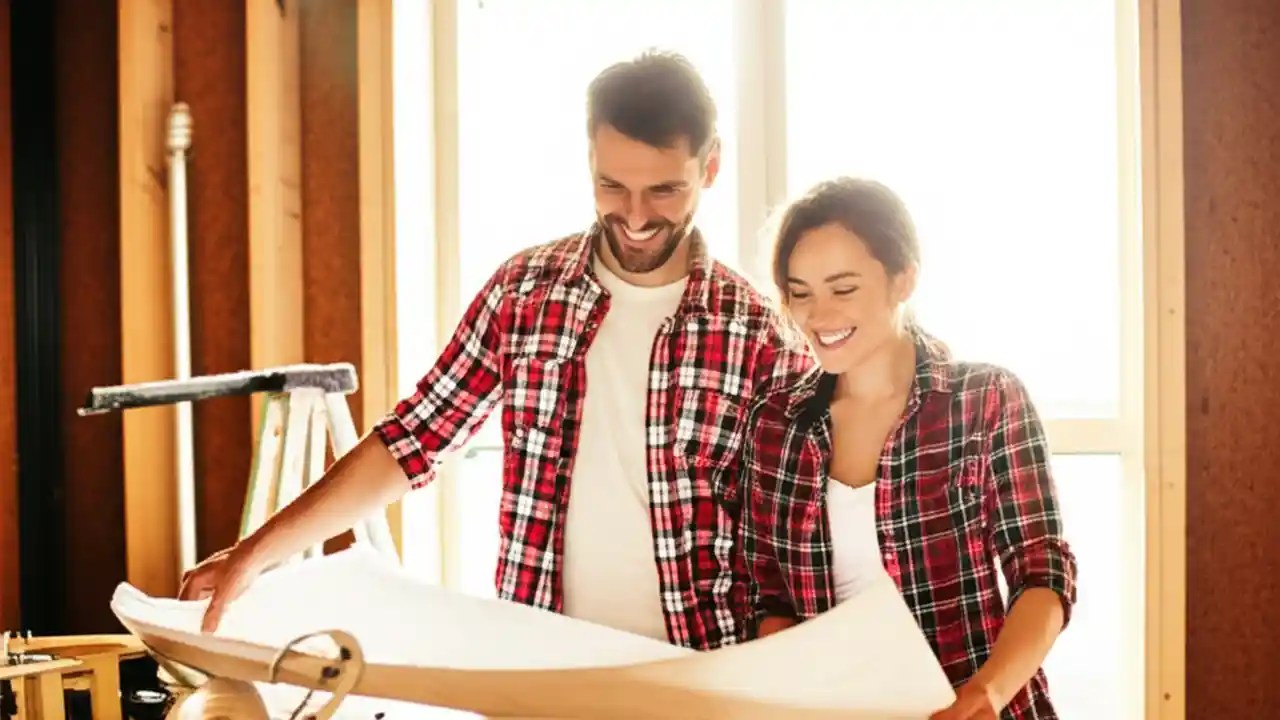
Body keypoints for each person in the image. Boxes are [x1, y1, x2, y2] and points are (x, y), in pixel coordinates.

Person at [178, 50, 810, 651]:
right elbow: (412, 442)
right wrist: (256, 553)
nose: (636, 216)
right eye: (611, 185)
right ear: (589, 158)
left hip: (695, 674)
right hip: (534, 669)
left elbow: (793, 534)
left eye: (665, 191)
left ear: (711, 166)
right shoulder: (524, 292)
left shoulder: (760, 331)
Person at [741, 177, 1077, 719]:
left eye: (842, 289)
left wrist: (985, 694)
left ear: (904, 279)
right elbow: (768, 595)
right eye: (800, 292)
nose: (818, 315)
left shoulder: (986, 400)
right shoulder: (776, 424)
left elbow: (1043, 575)